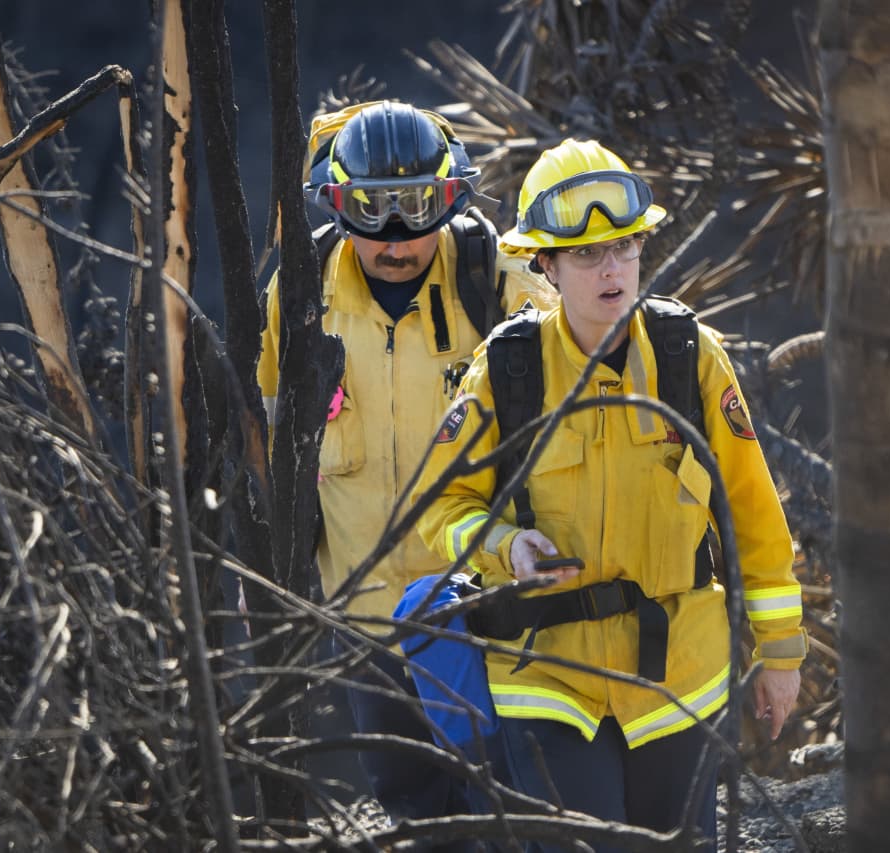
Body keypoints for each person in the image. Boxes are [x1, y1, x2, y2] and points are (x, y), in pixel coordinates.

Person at [414, 138, 806, 850]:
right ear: (547, 265)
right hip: (548, 676)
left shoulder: (691, 356)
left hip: (680, 675)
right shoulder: (505, 372)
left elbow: (752, 508)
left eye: (623, 247)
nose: (611, 268)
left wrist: (781, 652)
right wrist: (504, 545)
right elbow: (441, 507)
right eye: (587, 253)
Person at [256, 100, 555, 840]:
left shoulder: (499, 285)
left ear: (450, 195)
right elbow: (268, 430)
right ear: (338, 203)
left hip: (482, 617)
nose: (395, 237)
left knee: (510, 804)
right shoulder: (300, 297)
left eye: (416, 207)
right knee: (415, 806)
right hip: (363, 620)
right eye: (371, 210)